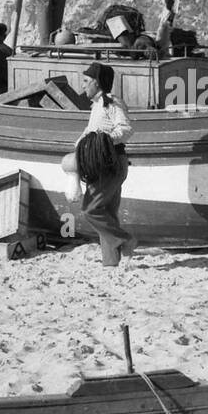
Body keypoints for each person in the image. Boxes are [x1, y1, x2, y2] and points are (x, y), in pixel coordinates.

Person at [78, 62, 136, 267]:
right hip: (105, 165)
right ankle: (111, 262)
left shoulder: (111, 103)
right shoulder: (97, 106)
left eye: (86, 81)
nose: (83, 86)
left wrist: (105, 142)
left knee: (90, 209)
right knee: (107, 213)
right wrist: (79, 146)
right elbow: (90, 131)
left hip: (111, 165)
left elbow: (126, 129)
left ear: (97, 82)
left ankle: (125, 240)